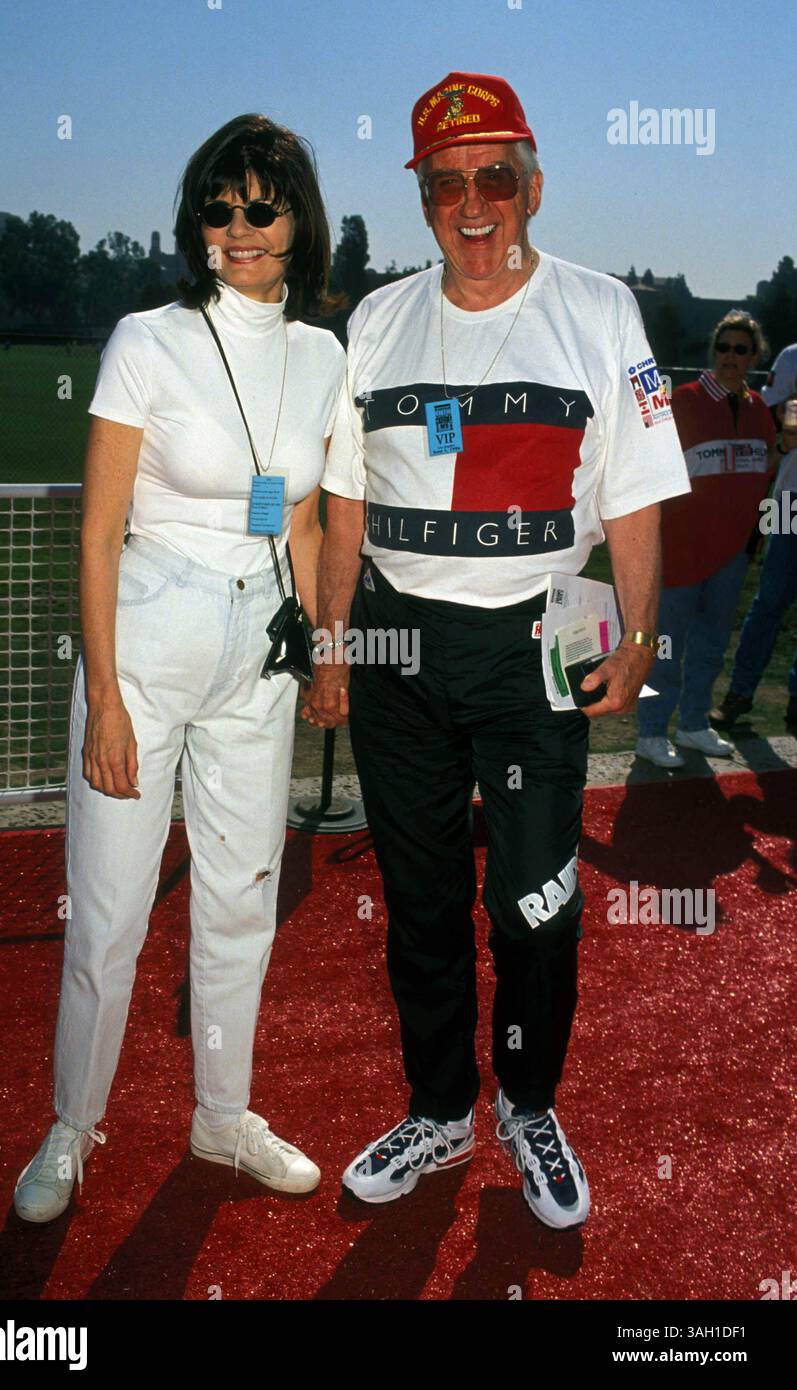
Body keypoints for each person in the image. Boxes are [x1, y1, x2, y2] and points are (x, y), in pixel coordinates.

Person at [302, 72, 689, 1229]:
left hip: (541, 638)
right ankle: (439, 1105)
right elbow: (342, 504)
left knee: (535, 902)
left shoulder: (605, 312)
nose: (473, 205)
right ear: (423, 198)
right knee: (419, 901)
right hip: (400, 651)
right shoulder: (373, 320)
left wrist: (641, 630)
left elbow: (633, 496)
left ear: (533, 184)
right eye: (446, 185)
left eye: (495, 179)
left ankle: (527, 1099)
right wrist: (332, 647)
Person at [13, 114, 346, 1222]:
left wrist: (325, 651)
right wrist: (105, 694)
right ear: (194, 223)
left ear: (299, 221)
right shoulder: (145, 339)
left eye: (261, 207)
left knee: (242, 899)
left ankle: (221, 1113)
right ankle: (73, 1124)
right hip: (148, 644)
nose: (239, 229)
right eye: (219, 208)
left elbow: (300, 519)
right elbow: (98, 530)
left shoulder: (321, 356)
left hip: (257, 652)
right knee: (108, 911)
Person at [635, 312, 794, 768]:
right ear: (714, 351)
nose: (730, 356)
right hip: (680, 550)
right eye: (724, 347)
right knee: (665, 645)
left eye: (740, 349)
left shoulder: (760, 410)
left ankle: (692, 724)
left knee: (709, 646)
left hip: (730, 554)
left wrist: (783, 447)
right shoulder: (683, 400)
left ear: (754, 358)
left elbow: (758, 469)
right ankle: (650, 731)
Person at [712, 395, 797, 733]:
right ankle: (739, 692)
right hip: (789, 500)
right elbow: (776, 419)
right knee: (768, 603)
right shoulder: (791, 357)